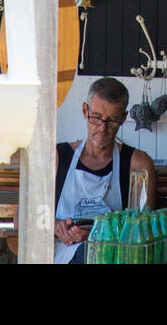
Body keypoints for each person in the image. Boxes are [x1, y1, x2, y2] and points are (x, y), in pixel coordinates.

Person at [54, 76, 156, 264]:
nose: (102, 127)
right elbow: (22, 218)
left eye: (112, 120)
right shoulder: (58, 157)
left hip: (114, 255)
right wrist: (56, 226)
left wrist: (99, 234)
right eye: (96, 117)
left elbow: (143, 229)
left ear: (124, 119)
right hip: (62, 253)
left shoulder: (137, 164)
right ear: (85, 111)